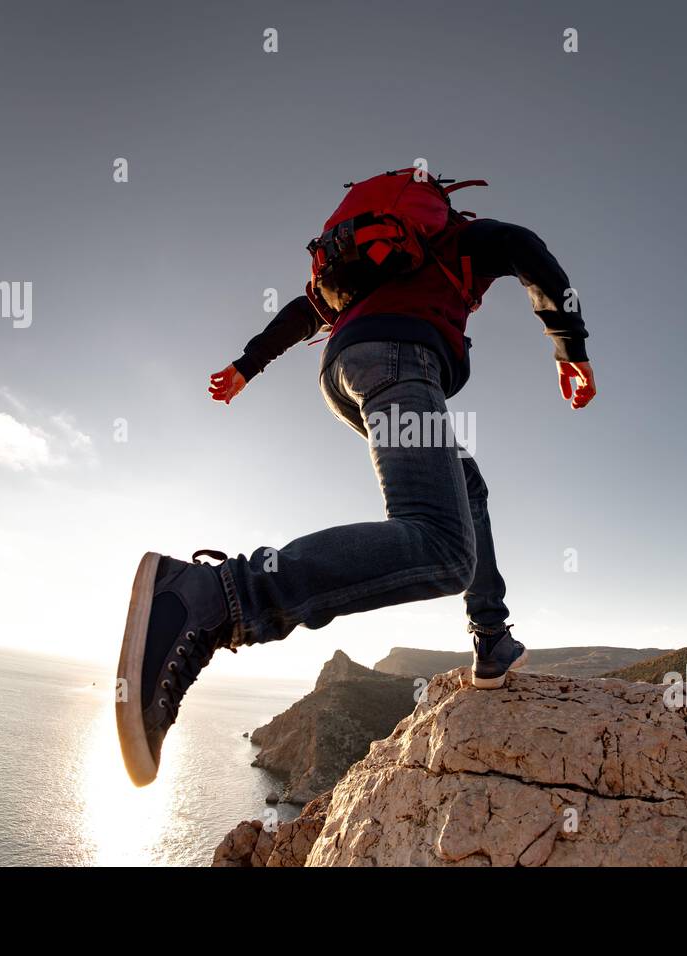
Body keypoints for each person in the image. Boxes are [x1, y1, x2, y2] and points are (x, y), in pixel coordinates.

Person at [116, 172, 596, 785]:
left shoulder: (368, 261)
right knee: (442, 545)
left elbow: (301, 312)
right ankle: (215, 598)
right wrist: (569, 347)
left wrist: (245, 366)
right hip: (401, 363)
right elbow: (531, 251)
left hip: (347, 372)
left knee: (464, 488)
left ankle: (491, 637)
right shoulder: (459, 239)